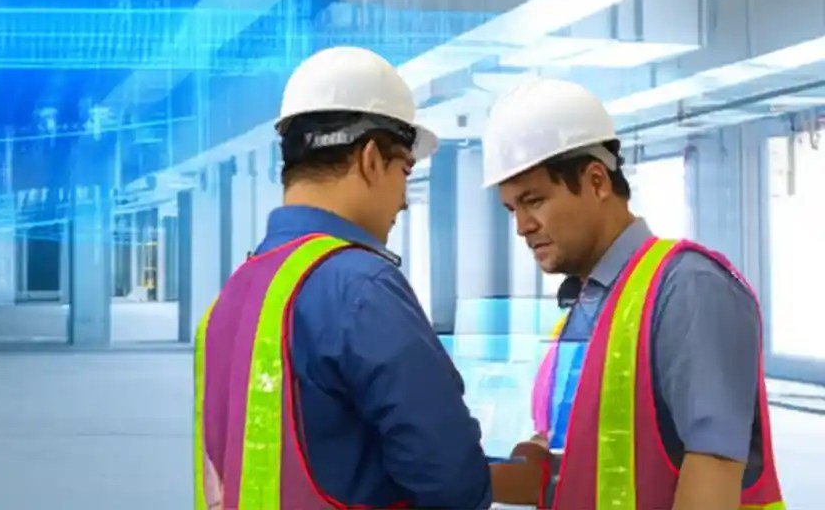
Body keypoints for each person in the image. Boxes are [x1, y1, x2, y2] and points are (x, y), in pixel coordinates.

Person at [193, 46, 548, 509]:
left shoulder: (232, 298)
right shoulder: (360, 288)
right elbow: (448, 479)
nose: (403, 200)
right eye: (404, 170)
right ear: (371, 159)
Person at [481, 76, 785, 510]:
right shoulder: (582, 311)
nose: (522, 226)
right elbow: (559, 477)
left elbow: (713, 470)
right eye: (513, 209)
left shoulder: (688, 289)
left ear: (597, 181)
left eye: (535, 201)